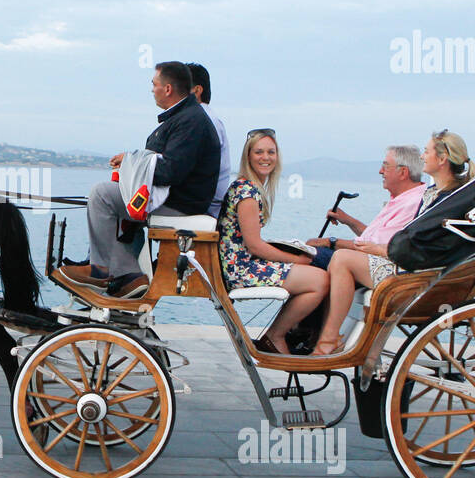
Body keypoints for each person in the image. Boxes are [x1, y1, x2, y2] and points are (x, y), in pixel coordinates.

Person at [311, 130, 475, 356]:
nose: (422, 157)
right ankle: (323, 337)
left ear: (441, 160)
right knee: (336, 256)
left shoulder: (443, 199)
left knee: (341, 258)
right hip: (408, 264)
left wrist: (380, 249)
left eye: (427, 152)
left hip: (411, 273)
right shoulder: (436, 194)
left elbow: (422, 247)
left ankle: (327, 341)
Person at [61, 61, 220, 298]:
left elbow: (170, 171)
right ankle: (129, 275)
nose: (152, 90)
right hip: (179, 201)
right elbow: (161, 162)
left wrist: (129, 163)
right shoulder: (185, 117)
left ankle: (99, 271)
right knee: (118, 195)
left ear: (167, 89)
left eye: (154, 84)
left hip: (179, 206)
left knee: (102, 195)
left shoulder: (189, 121)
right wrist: (130, 166)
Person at [218, 129, 329, 356]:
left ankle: (288, 333)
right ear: (248, 156)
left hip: (243, 263)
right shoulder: (247, 192)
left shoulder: (247, 188)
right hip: (241, 270)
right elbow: (255, 246)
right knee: (321, 280)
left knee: (315, 273)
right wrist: (296, 259)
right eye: (259, 152)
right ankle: (276, 336)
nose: (265, 157)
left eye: (271, 152)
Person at [305, 145, 425, 271]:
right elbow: (373, 238)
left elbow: (374, 247)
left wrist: (331, 242)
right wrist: (347, 220)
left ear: (403, 172)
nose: (380, 171)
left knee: (302, 254)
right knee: (301, 250)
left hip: (371, 265)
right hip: (366, 258)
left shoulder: (412, 203)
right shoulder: (403, 198)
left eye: (386, 166)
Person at [185, 63, 231, 214]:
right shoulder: (203, 117)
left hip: (204, 205)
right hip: (205, 201)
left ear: (197, 91)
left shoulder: (201, 120)